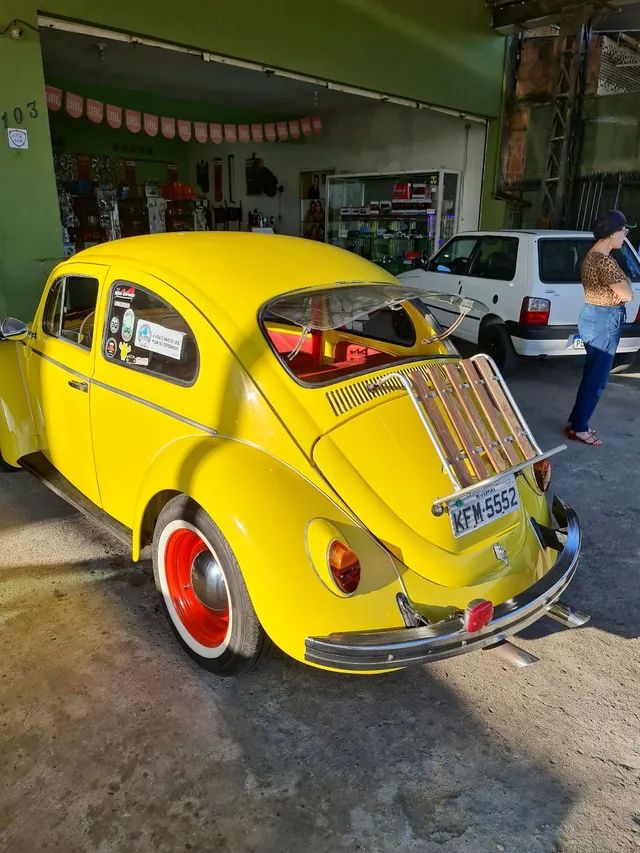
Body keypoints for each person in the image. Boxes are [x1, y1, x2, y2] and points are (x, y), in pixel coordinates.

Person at [566, 210, 634, 446]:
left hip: (593, 316)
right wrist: (625, 279)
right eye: (624, 230)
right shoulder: (605, 260)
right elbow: (627, 294)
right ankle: (579, 427)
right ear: (612, 233)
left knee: (592, 374)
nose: (625, 235)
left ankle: (576, 421)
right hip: (605, 319)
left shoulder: (592, 255)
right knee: (597, 378)